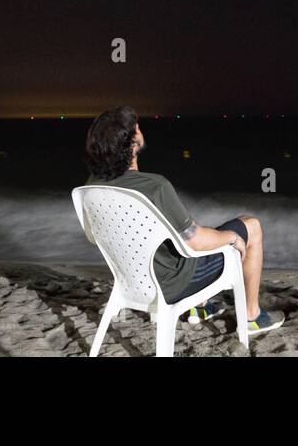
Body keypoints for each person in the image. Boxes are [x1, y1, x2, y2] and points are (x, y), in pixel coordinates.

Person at [84, 105, 285, 335]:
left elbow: (93, 236)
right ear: (133, 143)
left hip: (131, 282)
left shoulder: (91, 187)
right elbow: (195, 241)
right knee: (250, 226)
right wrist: (232, 238)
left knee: (187, 231)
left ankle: (201, 307)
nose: (140, 130)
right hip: (173, 283)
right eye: (137, 128)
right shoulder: (154, 186)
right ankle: (252, 317)